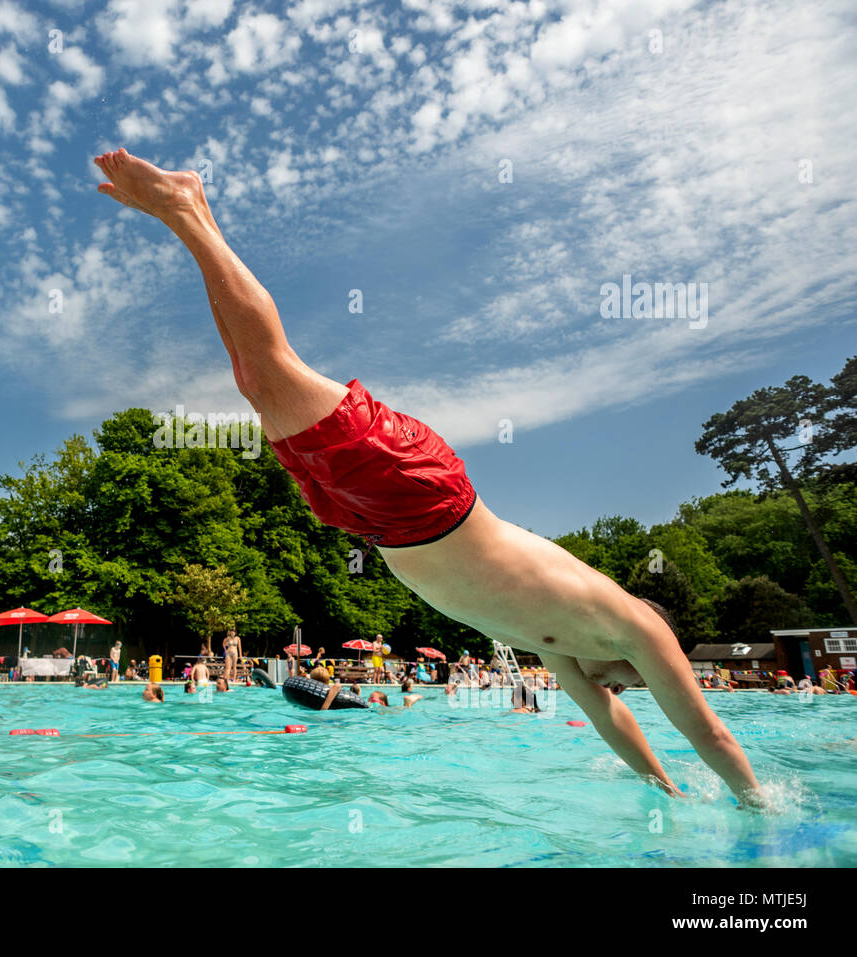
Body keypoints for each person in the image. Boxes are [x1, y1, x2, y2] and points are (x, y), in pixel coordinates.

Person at [93, 145, 765, 806]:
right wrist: (756, 806)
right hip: (424, 492)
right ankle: (183, 209)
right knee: (272, 370)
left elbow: (607, 718)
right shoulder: (635, 628)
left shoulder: (563, 648)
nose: (617, 690)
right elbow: (709, 730)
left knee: (253, 382)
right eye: (629, 684)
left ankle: (195, 210)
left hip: (379, 523)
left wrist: (665, 789)